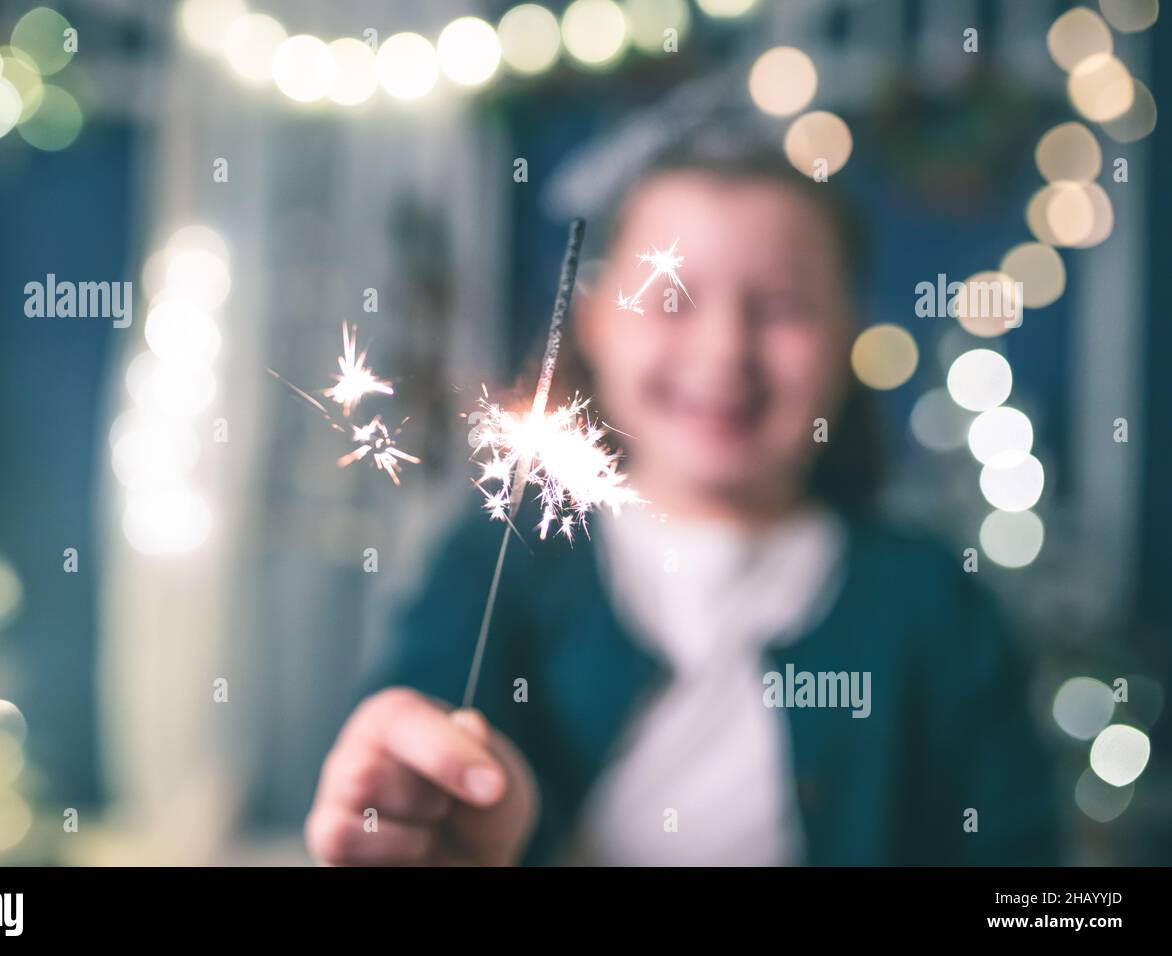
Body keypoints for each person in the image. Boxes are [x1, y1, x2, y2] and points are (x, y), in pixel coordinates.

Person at [305, 138, 1061, 866]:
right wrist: (404, 779)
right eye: (668, 300)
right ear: (595, 322)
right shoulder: (498, 558)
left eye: (781, 306)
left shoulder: (933, 603)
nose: (724, 349)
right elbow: (412, 721)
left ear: (848, 335)